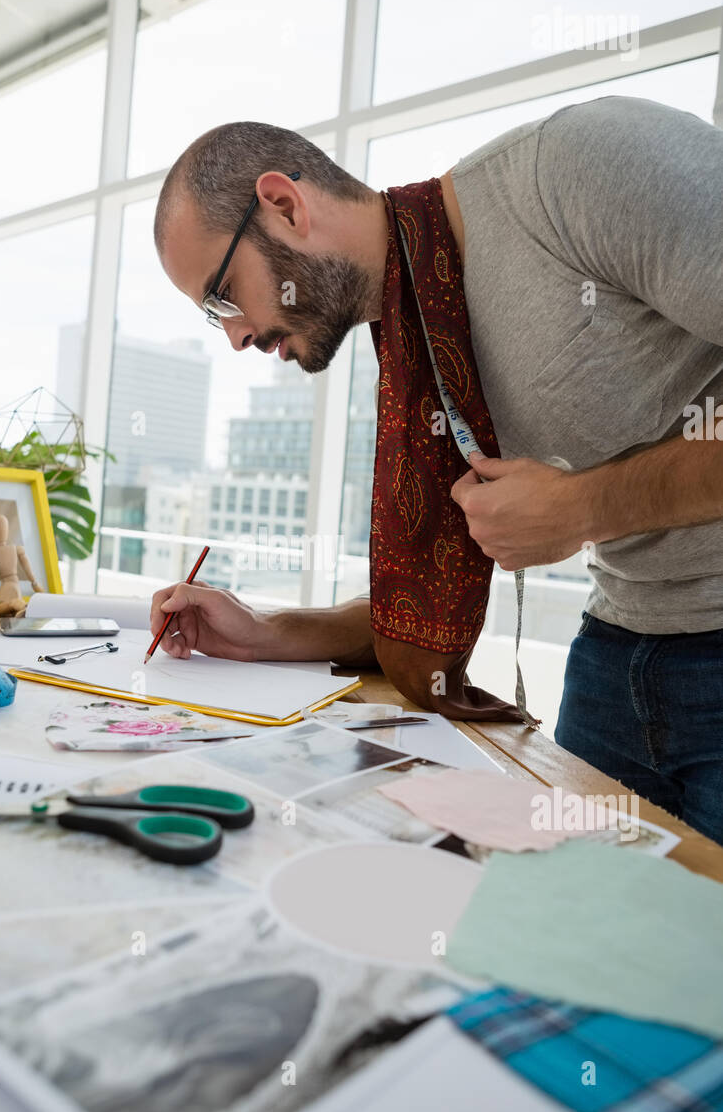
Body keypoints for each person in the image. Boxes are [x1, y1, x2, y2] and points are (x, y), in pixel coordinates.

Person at [151, 98, 723, 842]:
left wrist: (587, 508)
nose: (233, 337)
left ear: (284, 205)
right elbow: (428, 593)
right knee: (562, 938)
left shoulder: (579, 169)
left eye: (221, 298)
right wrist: (269, 632)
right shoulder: (421, 324)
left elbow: (580, 508)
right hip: (618, 655)